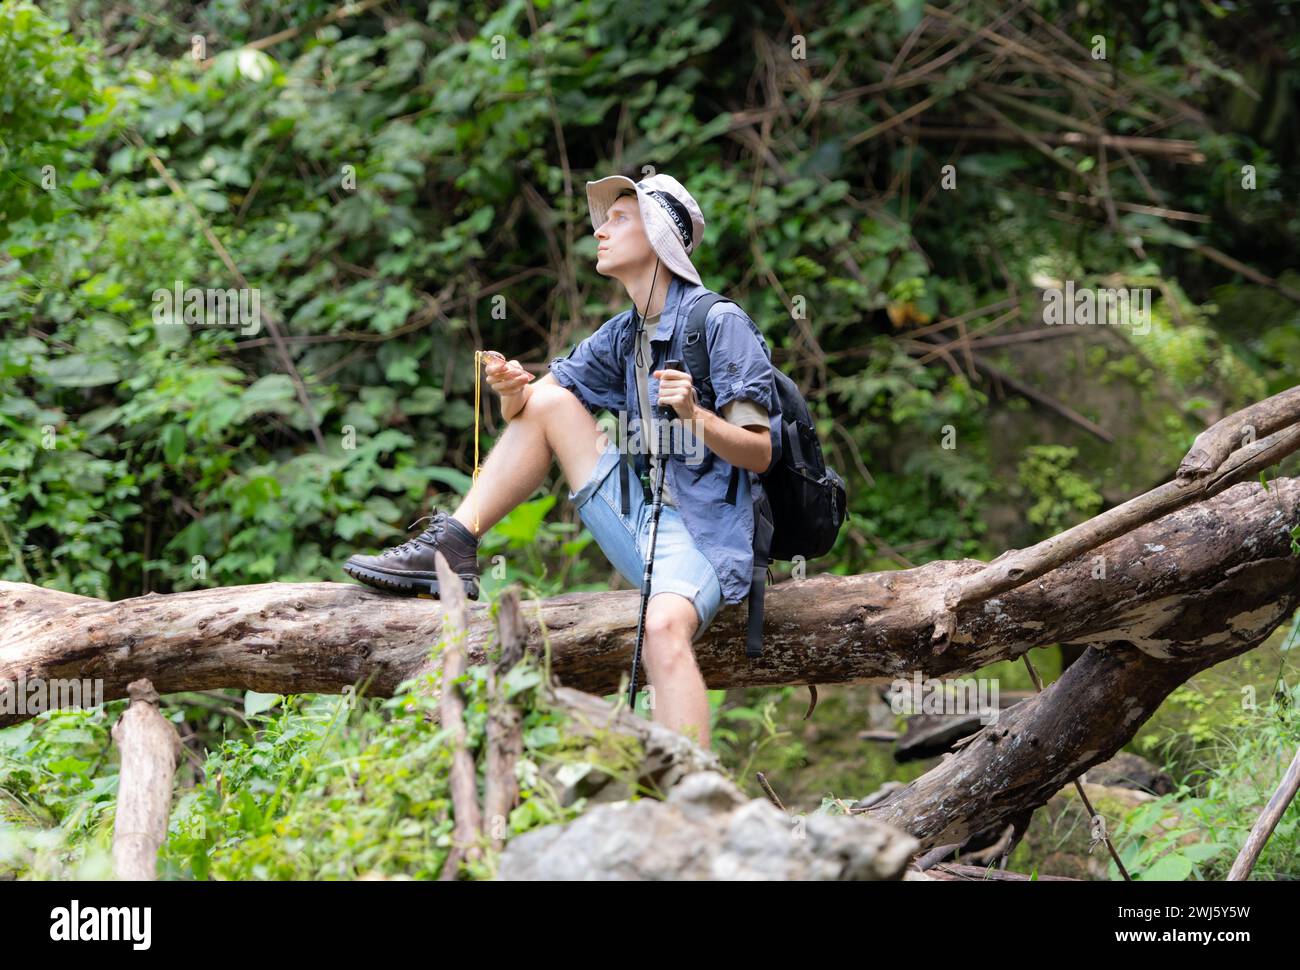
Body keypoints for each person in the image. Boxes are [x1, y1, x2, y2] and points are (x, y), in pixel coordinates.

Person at [342, 172, 781, 750]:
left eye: (620, 219)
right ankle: (454, 543)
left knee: (662, 628)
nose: (601, 230)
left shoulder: (720, 323)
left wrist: (698, 416)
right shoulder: (624, 333)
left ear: (658, 236)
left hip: (708, 534)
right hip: (644, 523)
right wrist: (509, 386)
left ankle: (698, 800)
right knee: (549, 397)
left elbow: (762, 452)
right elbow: (531, 410)